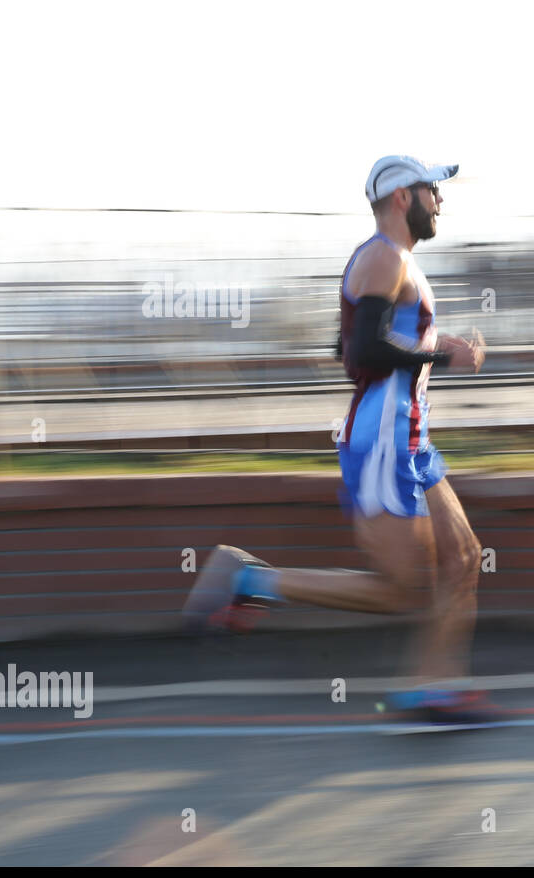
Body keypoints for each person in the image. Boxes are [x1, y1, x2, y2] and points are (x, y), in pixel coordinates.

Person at [183, 155, 493, 723]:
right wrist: (437, 355)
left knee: (466, 558)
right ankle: (251, 580)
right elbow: (363, 353)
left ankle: (436, 687)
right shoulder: (381, 257)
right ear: (403, 197)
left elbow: (353, 345)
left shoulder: (393, 261)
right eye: (432, 191)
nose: (440, 201)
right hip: (383, 440)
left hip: (412, 438)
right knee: (403, 590)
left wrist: (432, 341)